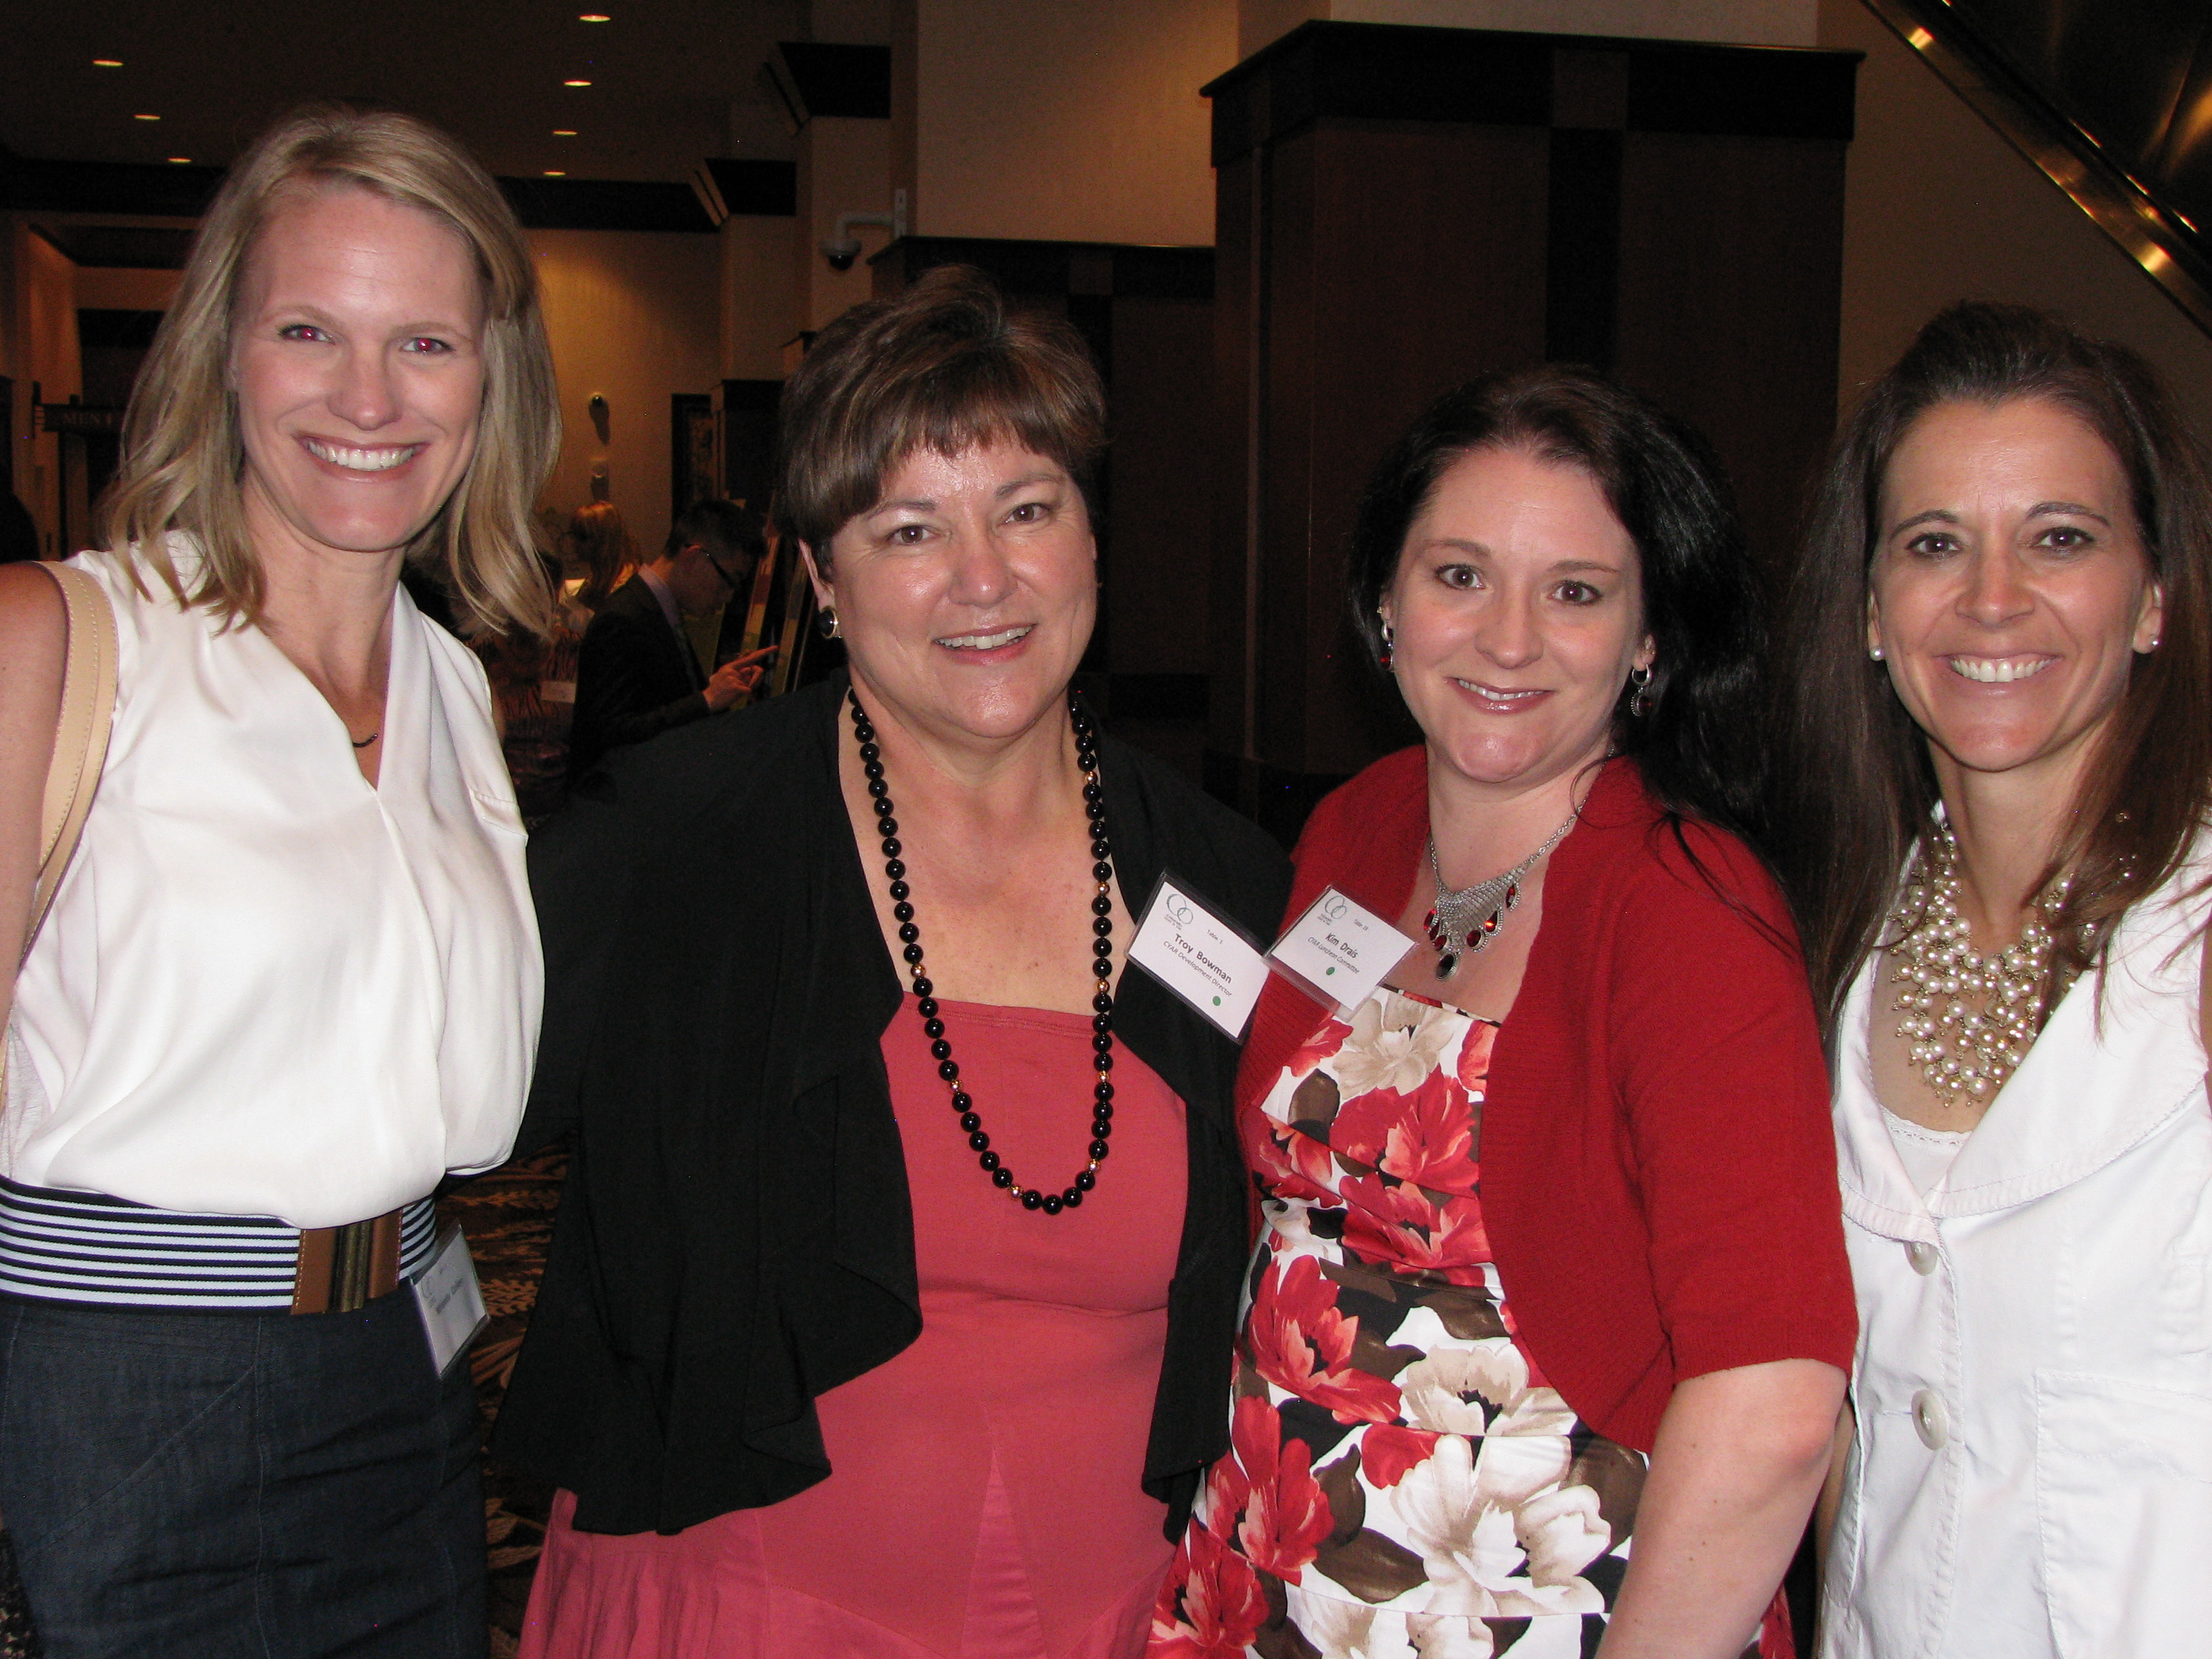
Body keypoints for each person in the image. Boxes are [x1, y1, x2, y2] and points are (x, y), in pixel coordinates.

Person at [493, 266, 1291, 1658]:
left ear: (1091, 538)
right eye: (910, 528)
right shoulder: (673, 843)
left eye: (1027, 510)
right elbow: (408, 1086)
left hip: (1127, 1618)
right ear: (821, 574)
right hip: (734, 1611)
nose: (983, 578)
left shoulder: (1221, 880)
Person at [1150, 368, 1856, 1658]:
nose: (1507, 639)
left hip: (1544, 1609)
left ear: (1650, 640)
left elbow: (1774, 1407)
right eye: (1459, 575)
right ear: (1386, 600)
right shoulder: (1357, 826)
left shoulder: (1689, 915)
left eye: (1574, 592)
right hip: (1269, 1575)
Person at [0, 104, 554, 1657]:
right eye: (309, 330)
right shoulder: (57, 642)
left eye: (425, 344)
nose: (368, 397)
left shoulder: (454, 687)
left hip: (409, 1367)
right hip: (138, 1386)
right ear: (222, 354)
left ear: (488, 379)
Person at [1777, 302, 2212, 1658]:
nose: (1991, 597)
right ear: (1868, 608)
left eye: (2059, 538)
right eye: (1933, 543)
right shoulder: (1830, 946)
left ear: (2153, 595)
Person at [565, 497, 775, 779]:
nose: (728, 596)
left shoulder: (657, 607)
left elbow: (654, 698)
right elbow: (609, 734)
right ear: (695, 558)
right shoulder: (623, 618)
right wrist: (707, 699)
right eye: (729, 581)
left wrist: (715, 685)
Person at [557, 497, 634, 631]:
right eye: (574, 535)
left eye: (582, 536)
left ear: (603, 539)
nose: (574, 543)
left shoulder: (626, 588)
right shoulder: (594, 580)